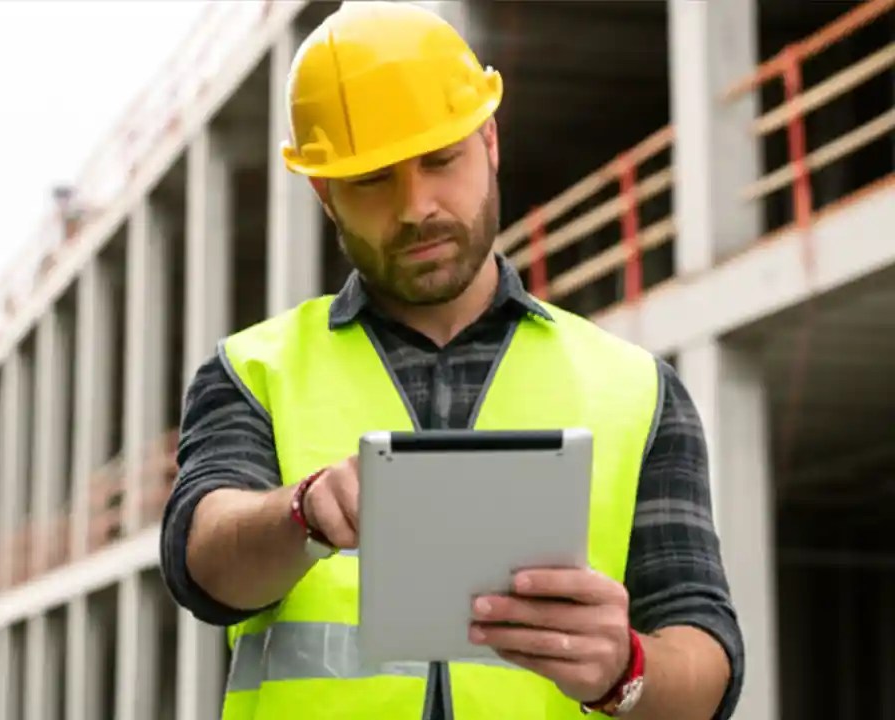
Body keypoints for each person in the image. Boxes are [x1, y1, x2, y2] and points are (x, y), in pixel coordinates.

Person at [159, 3, 744, 718]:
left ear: (489, 141)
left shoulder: (639, 389)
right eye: (374, 178)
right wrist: (302, 514)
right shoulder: (254, 371)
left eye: (441, 160)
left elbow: (706, 659)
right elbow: (206, 560)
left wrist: (624, 666)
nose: (417, 208)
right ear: (323, 190)